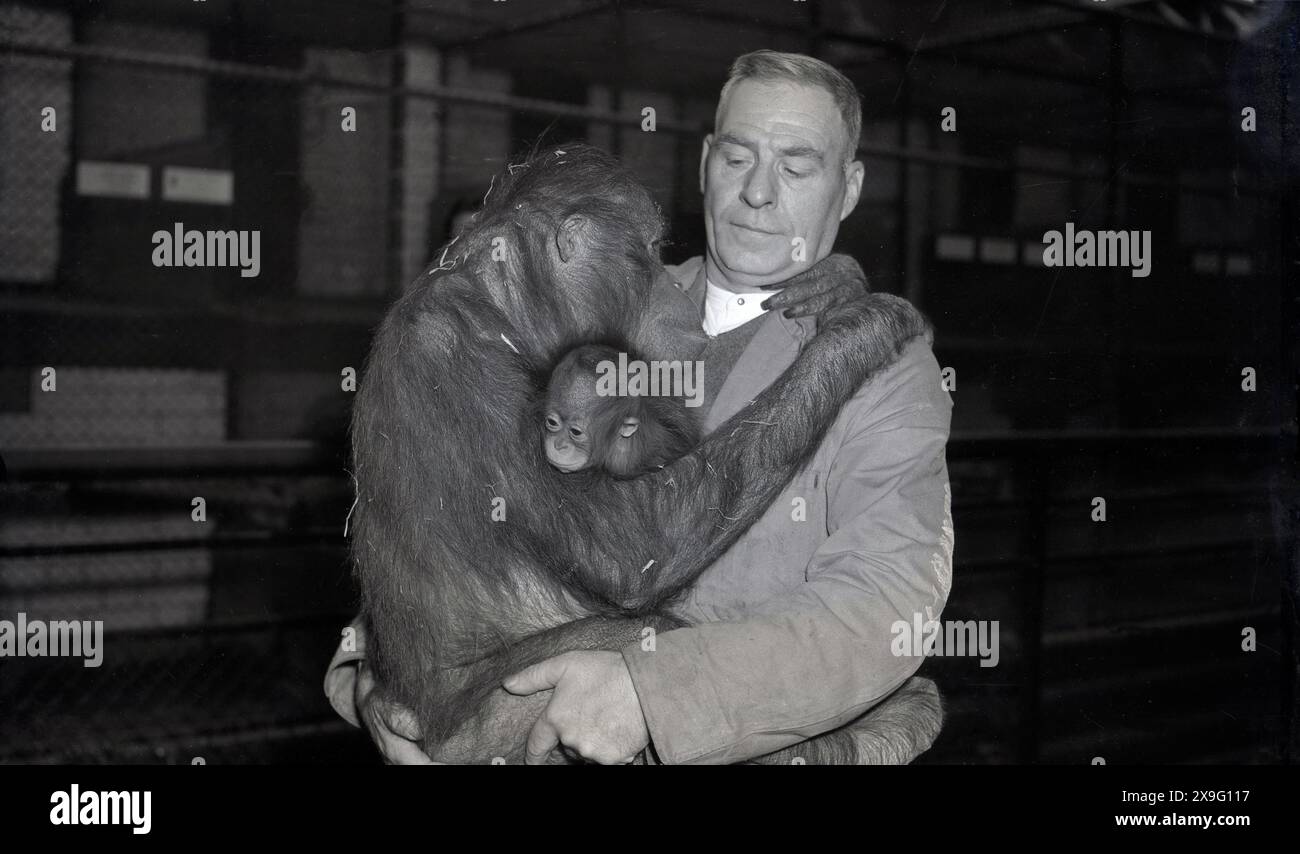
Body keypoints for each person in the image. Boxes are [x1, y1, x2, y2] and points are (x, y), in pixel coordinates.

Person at [324, 50, 954, 765]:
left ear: (849, 188)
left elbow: (884, 609)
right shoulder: (579, 314)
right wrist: (371, 673)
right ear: (705, 162)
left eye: (798, 167)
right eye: (738, 158)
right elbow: (456, 533)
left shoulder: (894, 370)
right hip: (528, 697)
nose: (758, 194)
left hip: (683, 715)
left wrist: (654, 697)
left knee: (906, 704)